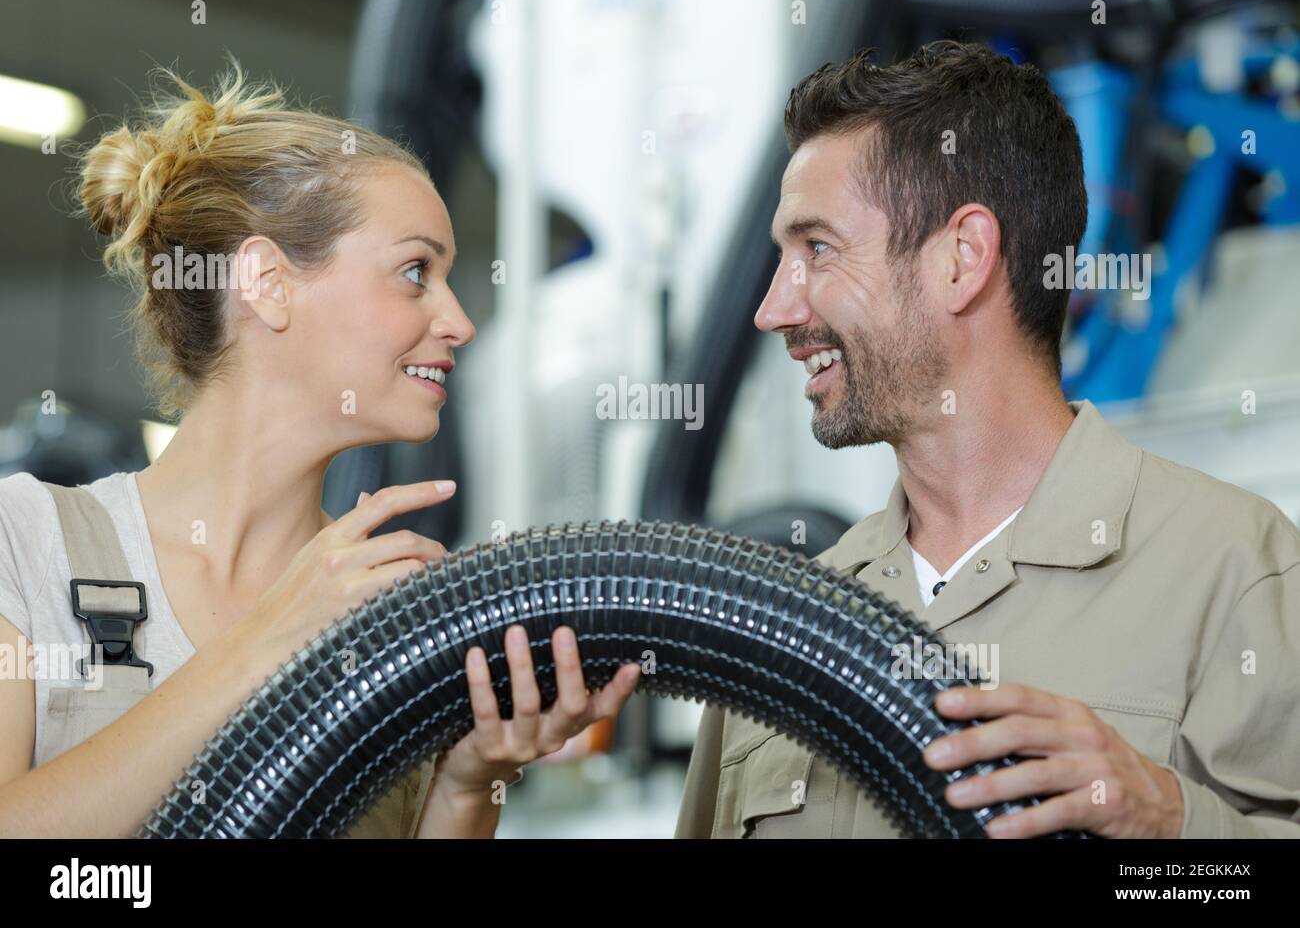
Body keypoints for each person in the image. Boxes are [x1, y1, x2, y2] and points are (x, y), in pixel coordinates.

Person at [675, 41, 1300, 838]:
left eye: (817, 249)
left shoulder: (1236, 571)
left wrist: (1170, 819)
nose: (772, 309)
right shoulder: (779, 628)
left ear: (963, 258)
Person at [0, 60, 640, 838]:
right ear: (268, 281)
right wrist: (263, 646)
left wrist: (471, 785)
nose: (460, 322)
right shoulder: (26, 542)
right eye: (415, 272)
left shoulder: (390, 612)